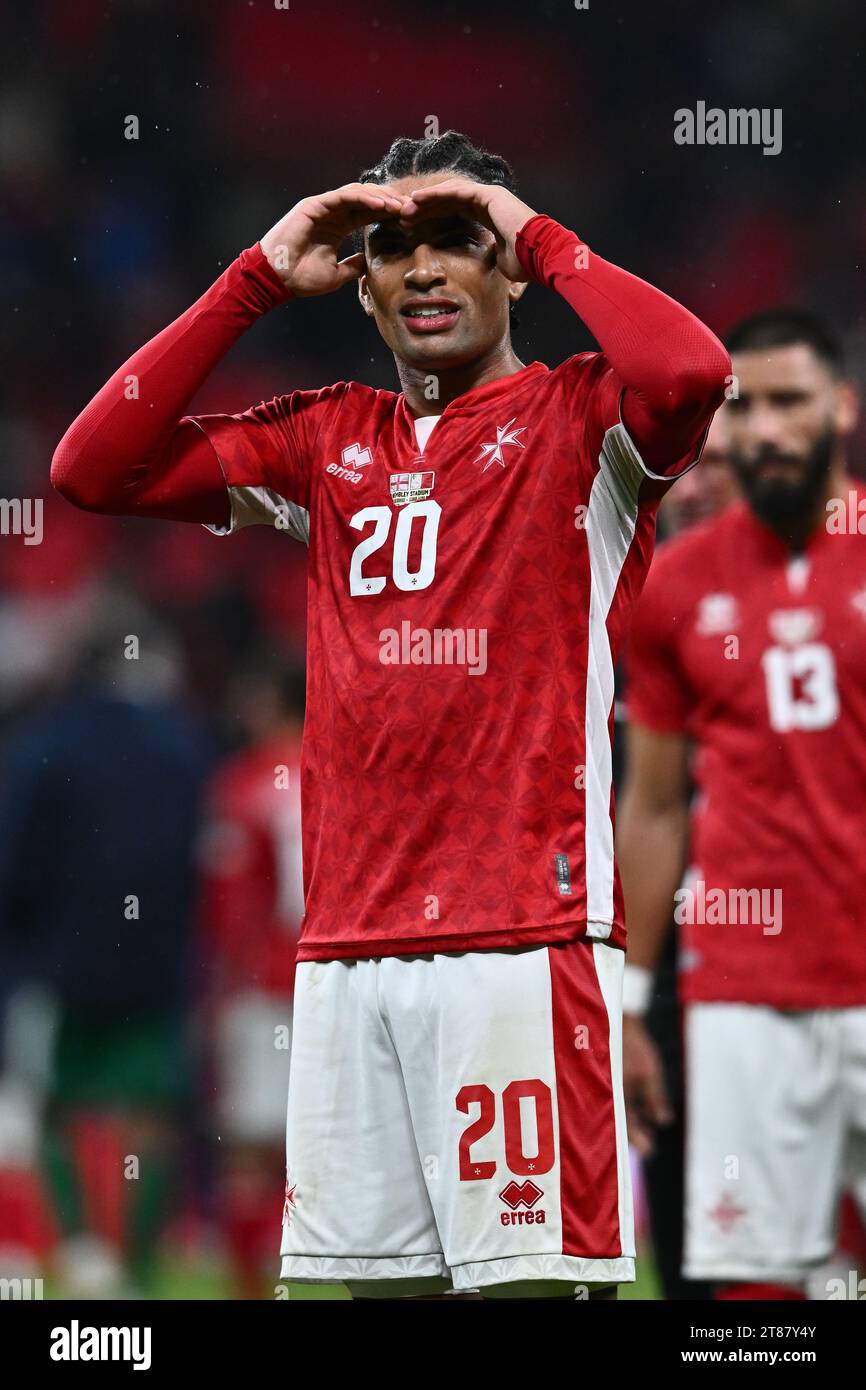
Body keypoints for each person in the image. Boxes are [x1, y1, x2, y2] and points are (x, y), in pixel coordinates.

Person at [51, 129, 729, 1300]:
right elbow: (89, 470)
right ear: (356, 282)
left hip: (520, 940)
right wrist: (253, 278)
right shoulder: (322, 441)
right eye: (391, 247)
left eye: (458, 241)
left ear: (510, 266)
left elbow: (691, 373)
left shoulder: (586, 426)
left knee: (527, 1293)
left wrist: (535, 231)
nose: (423, 270)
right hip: (348, 949)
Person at [617, 309, 866, 1299]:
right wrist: (633, 1003)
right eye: (743, 408)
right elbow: (652, 806)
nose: (762, 430)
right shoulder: (674, 585)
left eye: (787, 403)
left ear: (841, 409)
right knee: (752, 1296)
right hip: (739, 992)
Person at [198, 658, 305, 1298]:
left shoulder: (243, 784)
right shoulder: (339, 767)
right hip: (339, 973)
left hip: (265, 983)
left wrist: (222, 985)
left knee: (249, 1144)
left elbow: (231, 903)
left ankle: (252, 1282)